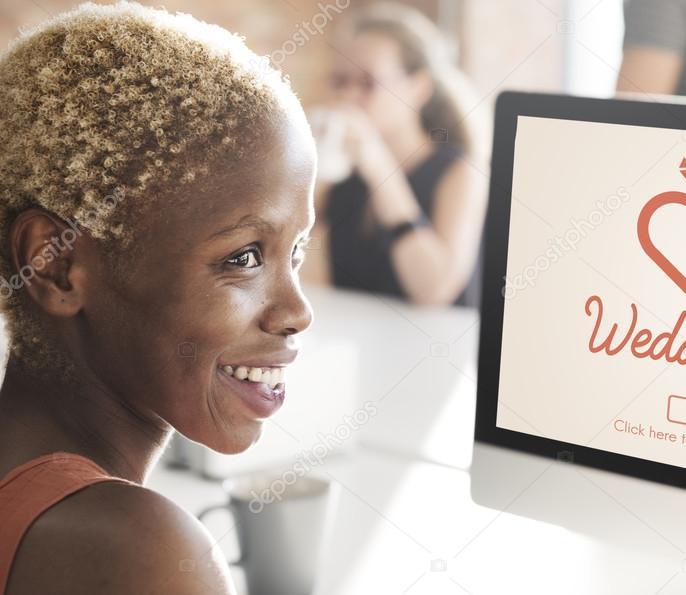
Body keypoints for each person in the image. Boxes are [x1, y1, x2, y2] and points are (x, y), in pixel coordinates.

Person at [0, 3, 315, 593]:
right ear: (57, 266)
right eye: (244, 257)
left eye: (296, 250)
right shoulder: (135, 551)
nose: (298, 312)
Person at [302, 2, 488, 308]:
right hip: (358, 347)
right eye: (340, 81)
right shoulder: (339, 175)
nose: (349, 96)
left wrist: (378, 166)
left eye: (368, 82)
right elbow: (307, 282)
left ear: (420, 87)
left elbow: (434, 291)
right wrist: (307, 184)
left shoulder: (460, 170)